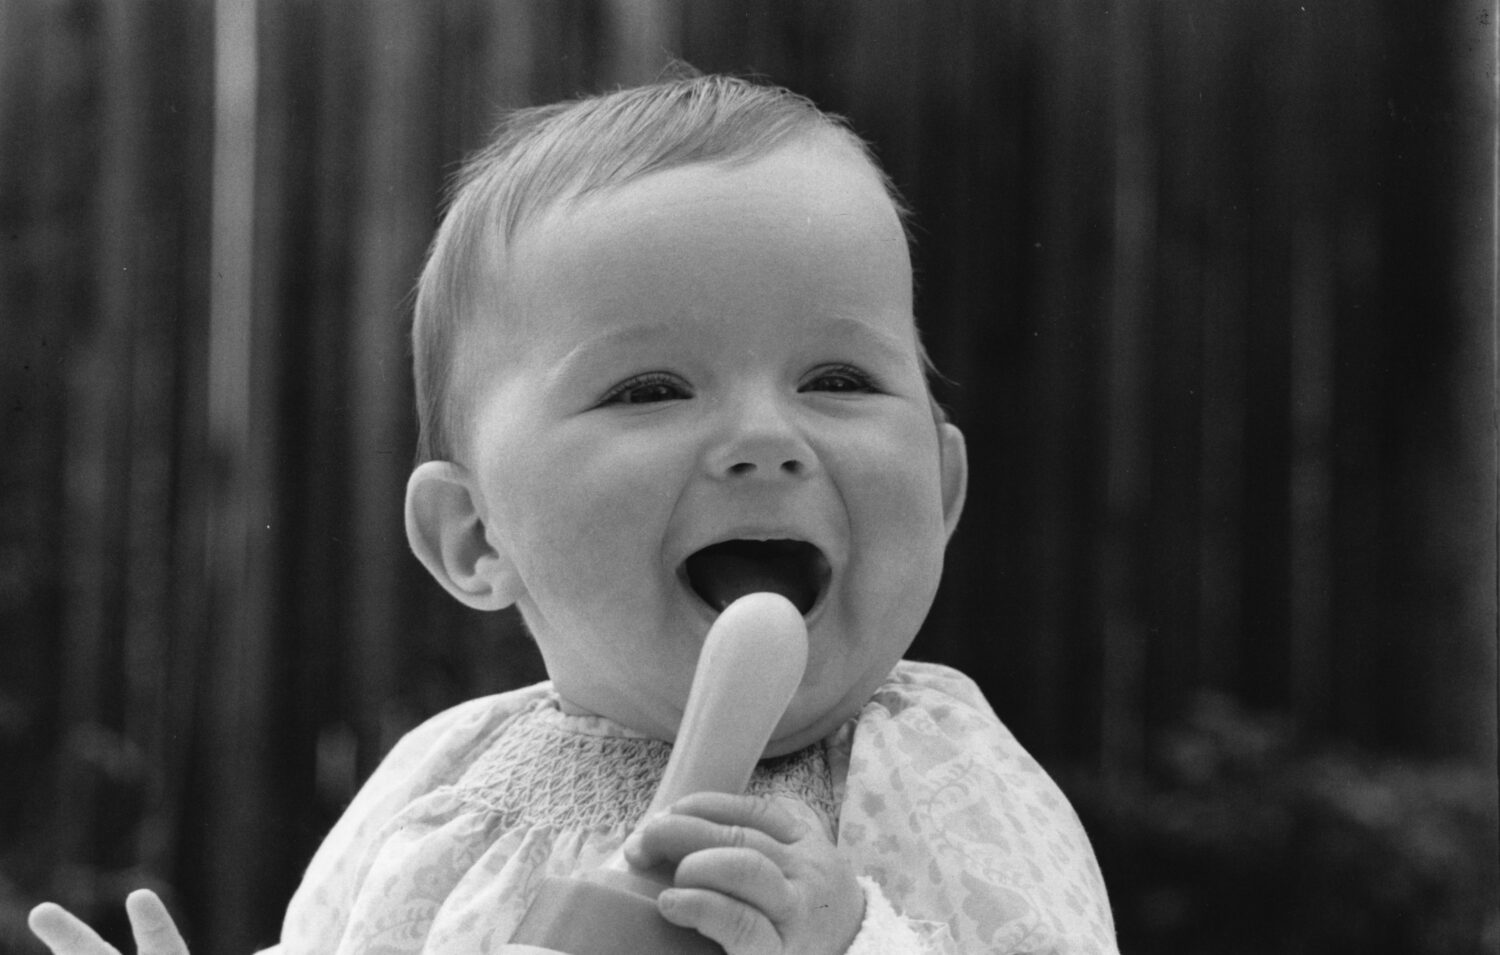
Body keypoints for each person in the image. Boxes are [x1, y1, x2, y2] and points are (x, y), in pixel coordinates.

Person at [30, 73, 1117, 955]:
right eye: (650, 390)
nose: (767, 436)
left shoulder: (939, 781)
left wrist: (855, 941)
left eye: (836, 377)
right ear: (474, 537)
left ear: (945, 487)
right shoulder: (440, 788)